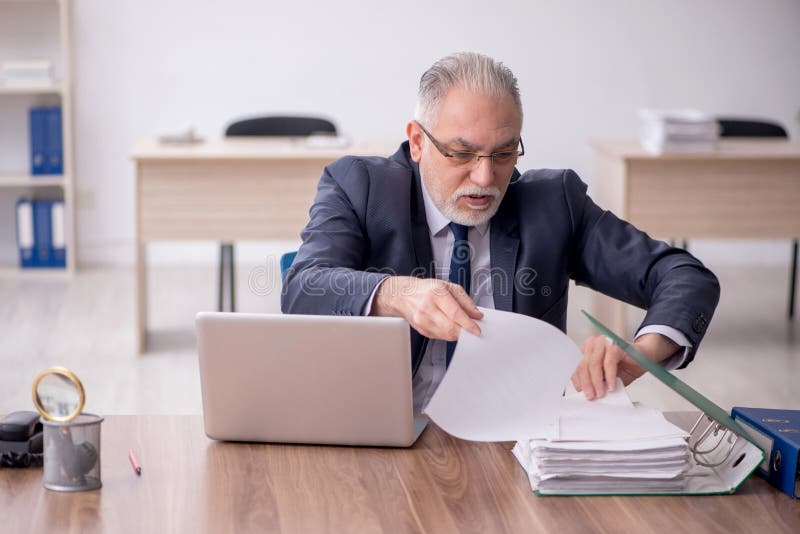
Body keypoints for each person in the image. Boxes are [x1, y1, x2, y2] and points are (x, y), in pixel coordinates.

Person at [281, 52, 720, 412]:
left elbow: (685, 278)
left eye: (505, 153)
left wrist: (634, 357)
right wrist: (397, 294)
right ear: (417, 142)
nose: (485, 177)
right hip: (379, 430)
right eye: (462, 154)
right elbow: (303, 286)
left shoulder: (554, 204)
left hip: (512, 441)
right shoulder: (359, 187)